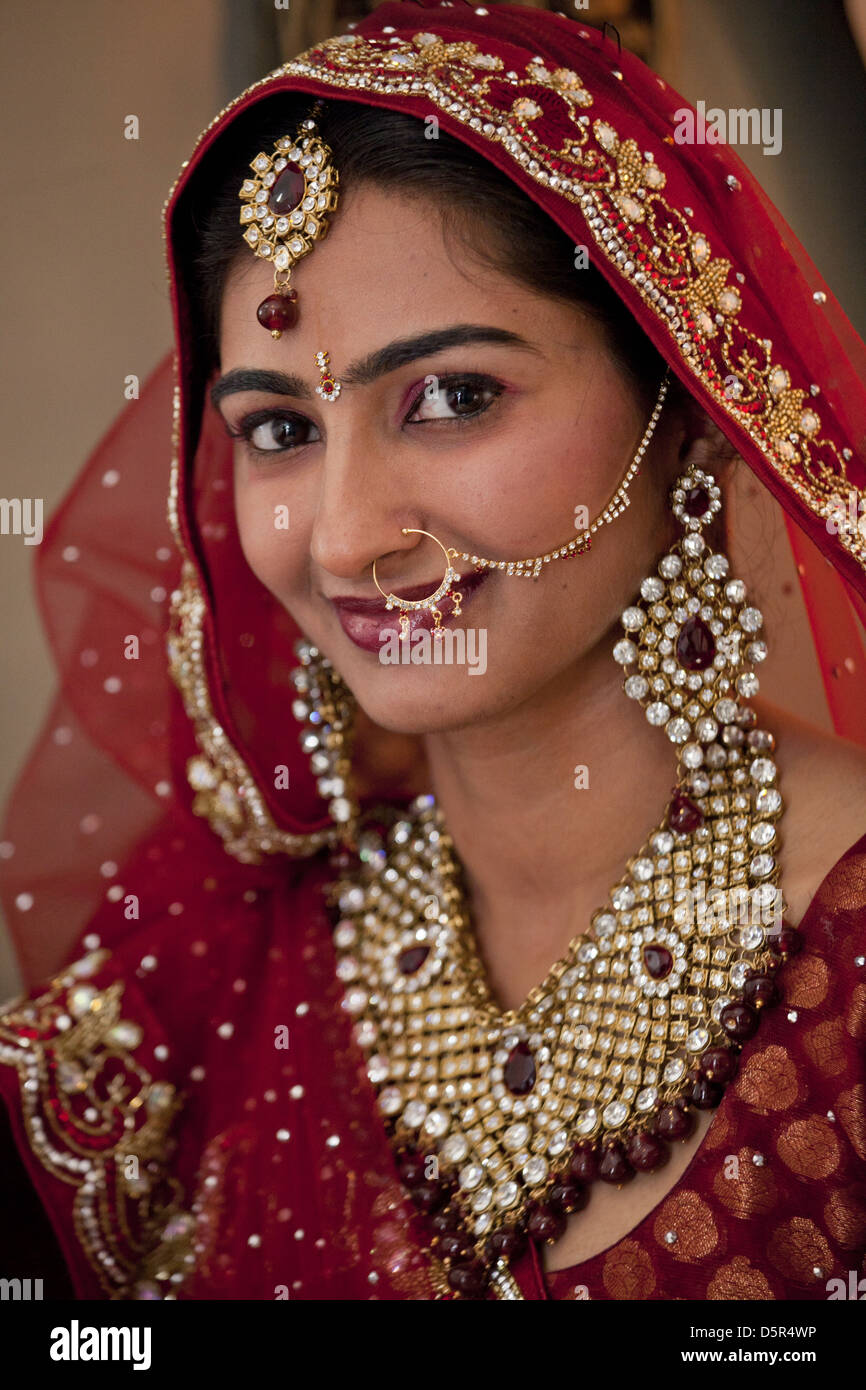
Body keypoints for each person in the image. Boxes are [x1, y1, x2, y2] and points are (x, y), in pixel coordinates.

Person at [1, 0, 865, 1302]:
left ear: (683, 404)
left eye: (453, 398)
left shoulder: (843, 961)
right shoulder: (226, 945)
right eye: (278, 428)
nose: (345, 539)